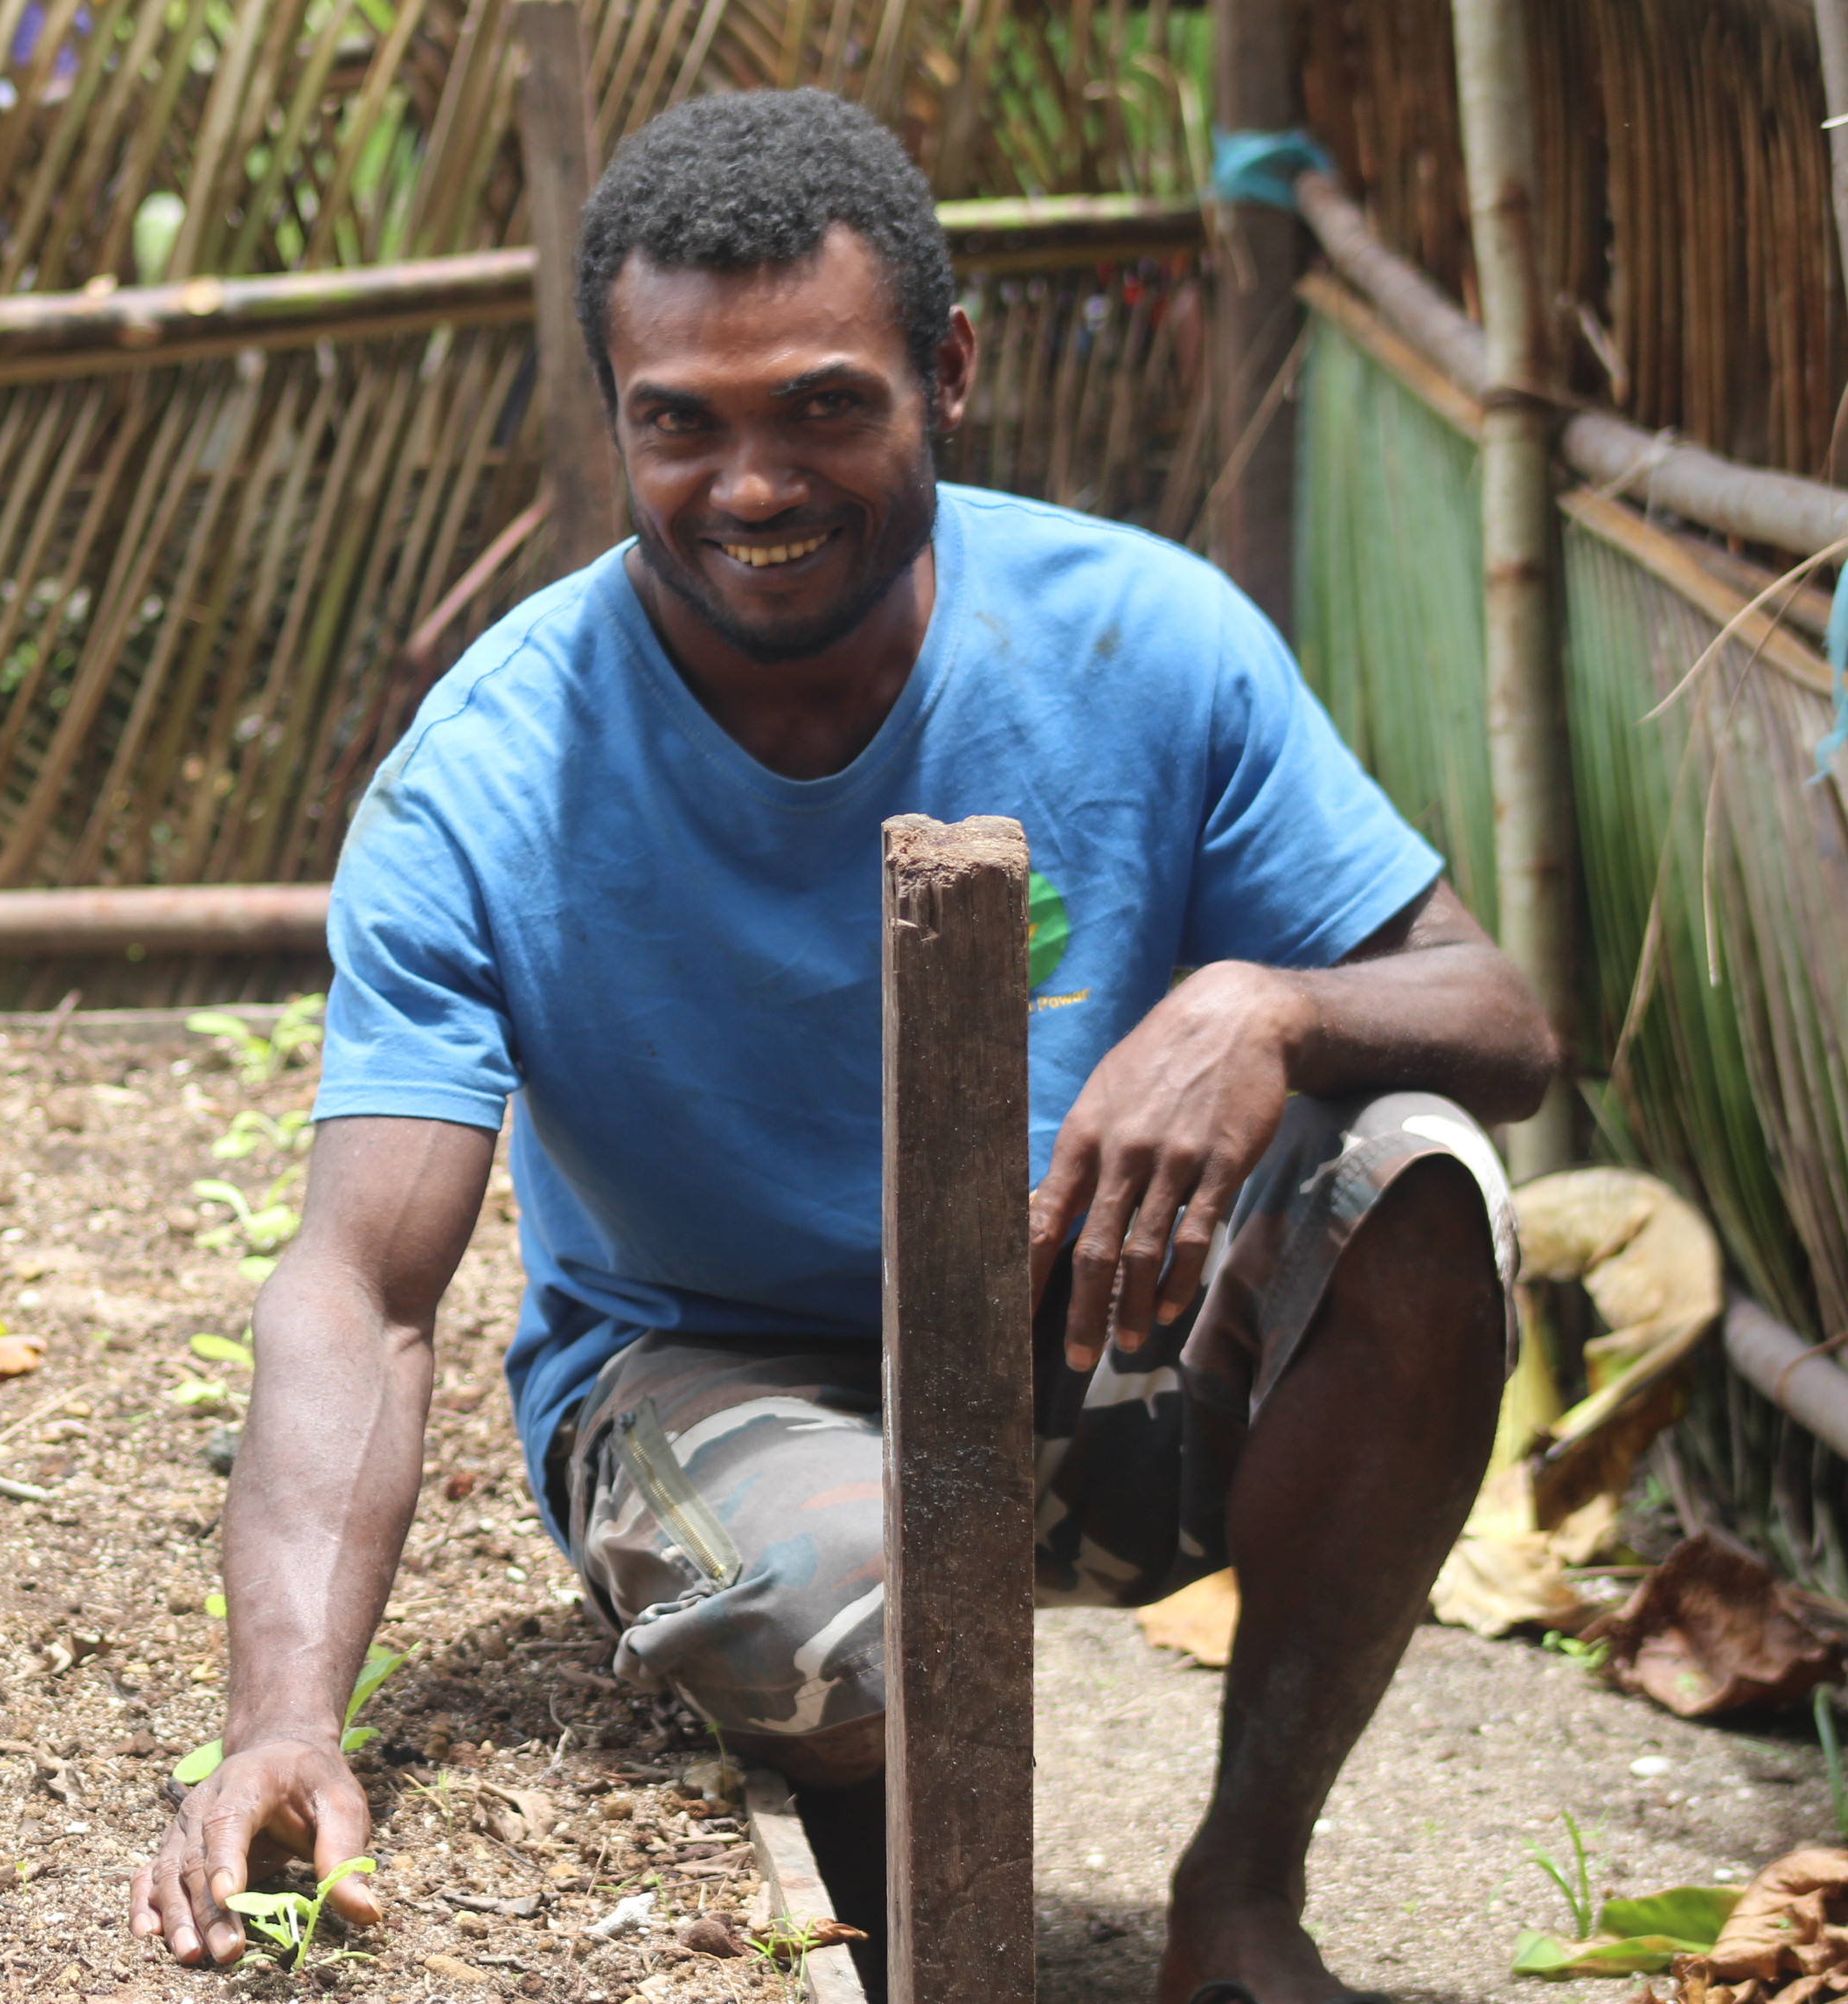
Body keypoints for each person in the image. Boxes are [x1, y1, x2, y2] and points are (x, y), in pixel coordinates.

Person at [128, 88, 1556, 2004]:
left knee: (1423, 1188)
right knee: (856, 1614)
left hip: (1094, 1336)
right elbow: (365, 1291)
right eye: (680, 422)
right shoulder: (485, 782)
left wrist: (1272, 1005)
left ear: (947, 368)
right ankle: (905, 1948)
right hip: (707, 1370)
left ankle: (1242, 1895)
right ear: (612, 410)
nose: (754, 484)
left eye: (822, 403)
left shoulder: (1149, 641)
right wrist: (283, 1721)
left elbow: (1504, 1025)